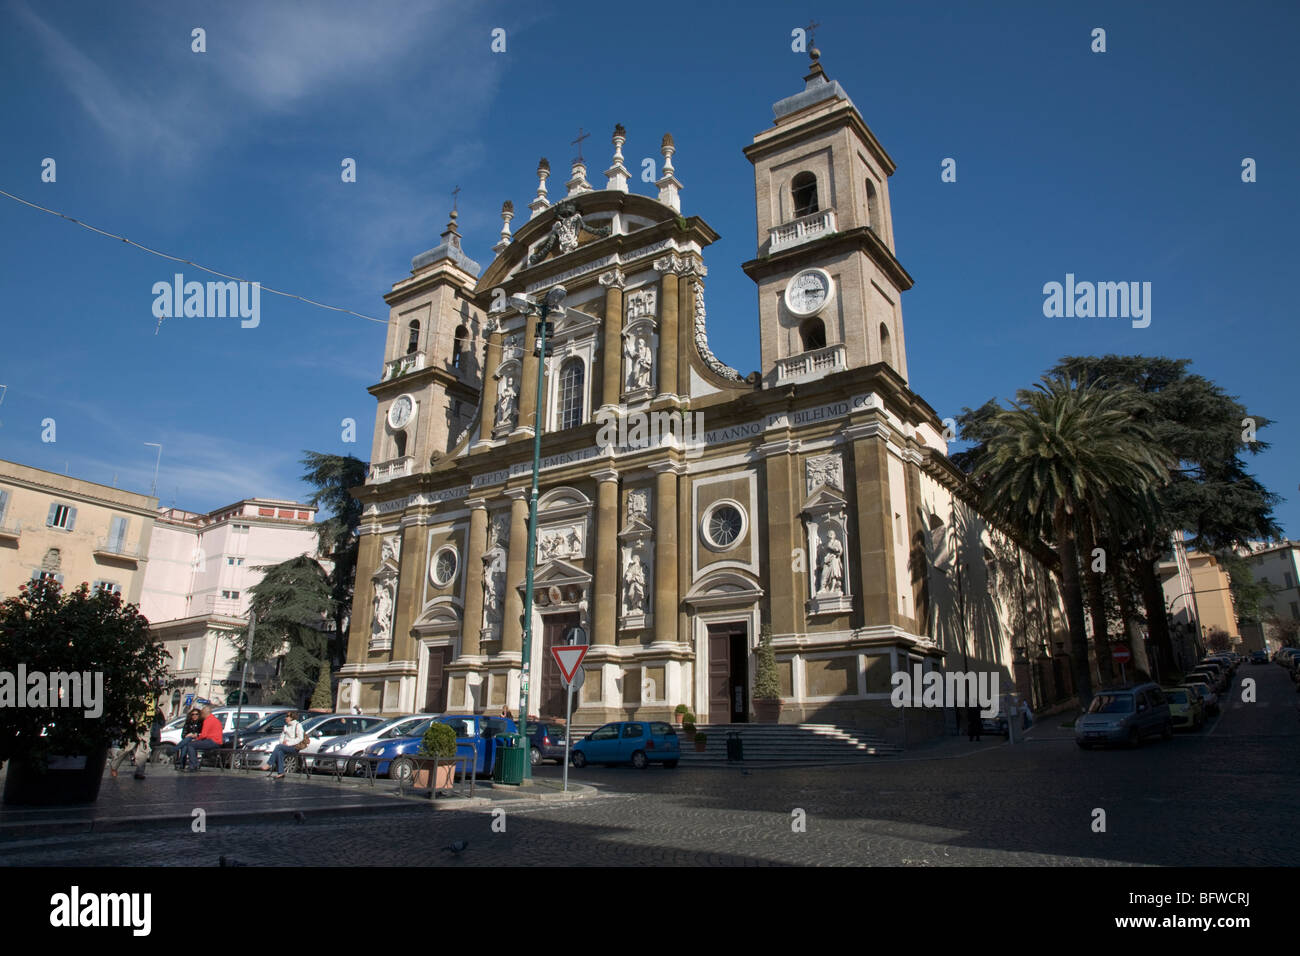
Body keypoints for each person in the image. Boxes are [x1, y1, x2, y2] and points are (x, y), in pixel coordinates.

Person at [111, 699, 162, 779]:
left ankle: (139, 772)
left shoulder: (154, 694)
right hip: (136, 724)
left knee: (144, 749)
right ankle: (114, 766)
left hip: (147, 724)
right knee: (128, 747)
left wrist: (155, 712)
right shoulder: (140, 692)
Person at [176, 704, 223, 772]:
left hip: (213, 742)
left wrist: (196, 738)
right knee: (193, 744)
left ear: (204, 713)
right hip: (216, 741)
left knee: (191, 745)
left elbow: (203, 735)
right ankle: (193, 764)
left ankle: (193, 766)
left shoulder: (208, 720)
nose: (201, 715)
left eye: (201, 714)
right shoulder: (214, 719)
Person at [267, 711, 305, 779]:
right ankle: (281, 773)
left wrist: (288, 743)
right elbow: (281, 737)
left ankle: (269, 763)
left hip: (294, 747)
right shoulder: (286, 726)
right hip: (285, 747)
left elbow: (300, 738)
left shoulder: (298, 725)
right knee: (279, 752)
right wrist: (283, 742)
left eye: (287, 716)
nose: (286, 718)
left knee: (278, 747)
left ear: (292, 717)